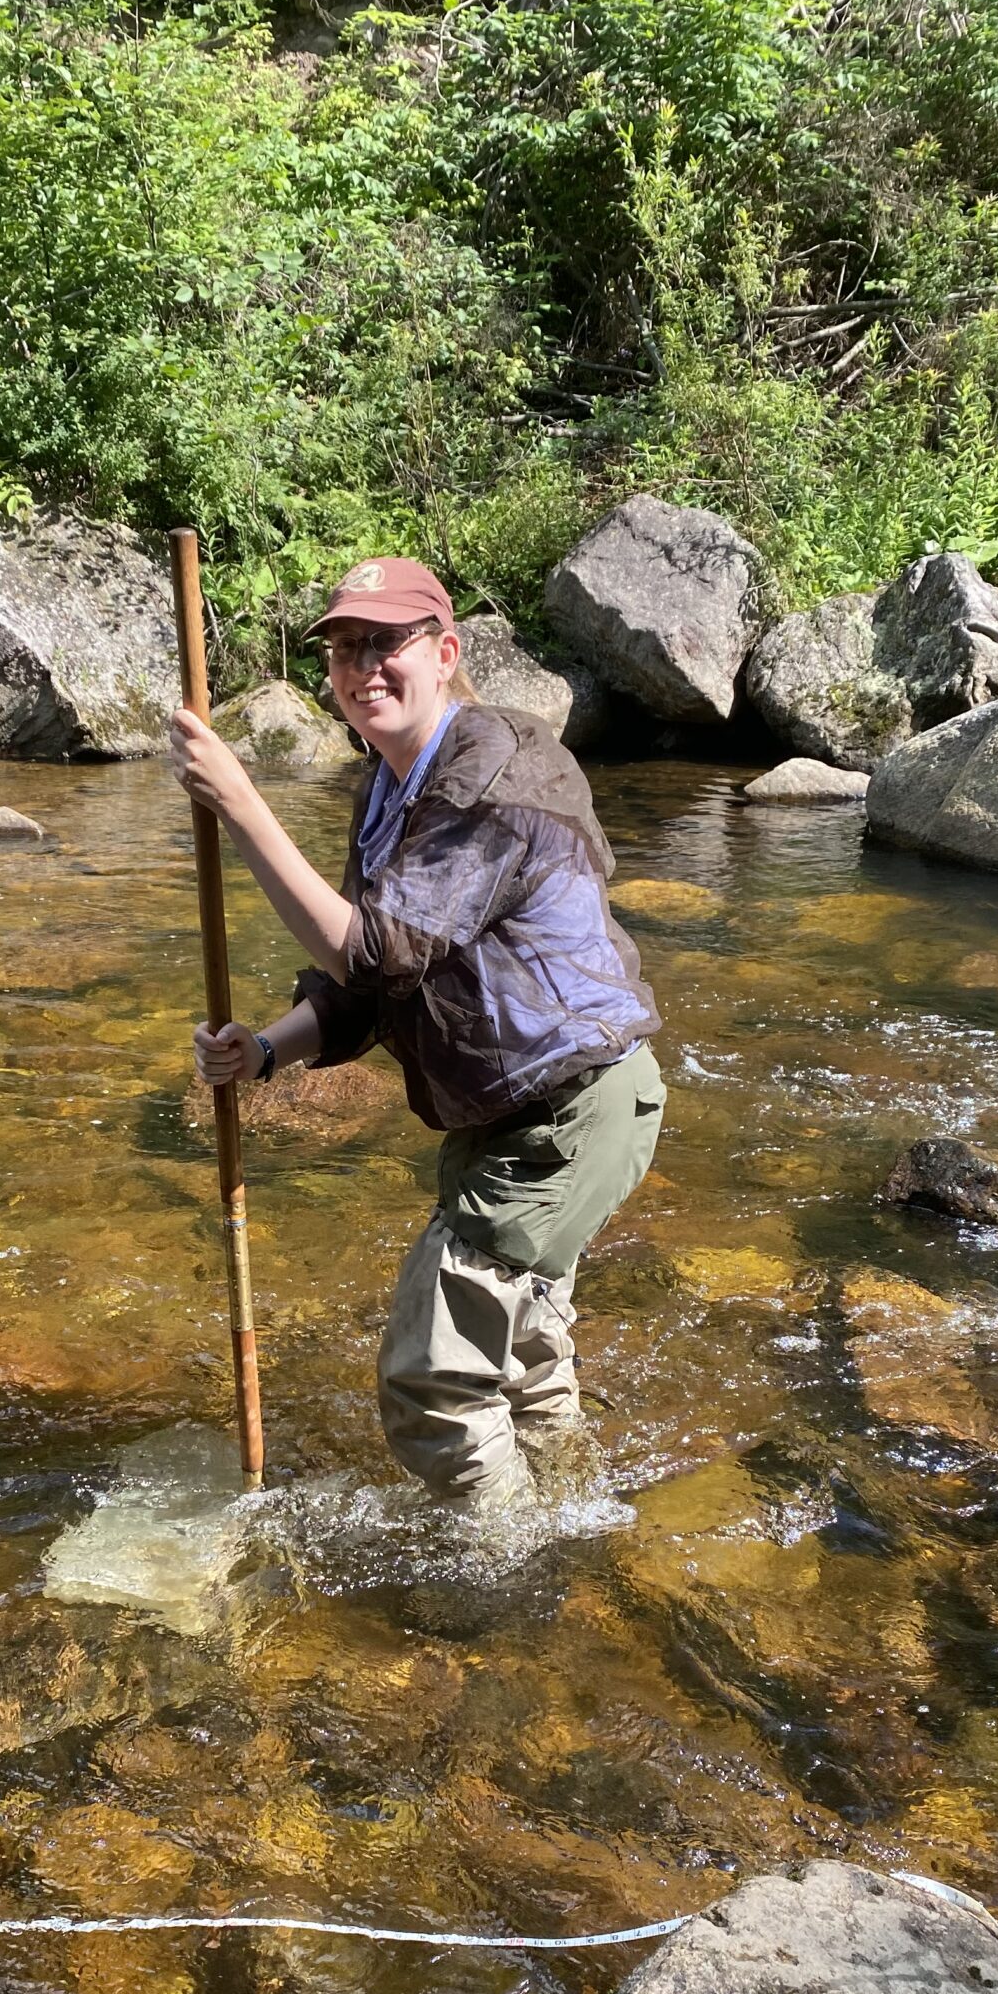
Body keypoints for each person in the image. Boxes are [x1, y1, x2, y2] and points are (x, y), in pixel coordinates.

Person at [167, 555, 664, 1509]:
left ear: (444, 652)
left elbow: (376, 947)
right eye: (343, 650)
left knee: (431, 1381)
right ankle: (573, 1523)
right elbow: (365, 992)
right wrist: (264, 1050)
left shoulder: (497, 767)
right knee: (520, 1358)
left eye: (384, 643)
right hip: (510, 1120)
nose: (361, 667)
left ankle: (507, 1561)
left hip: (571, 1111)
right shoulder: (389, 792)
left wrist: (239, 802)